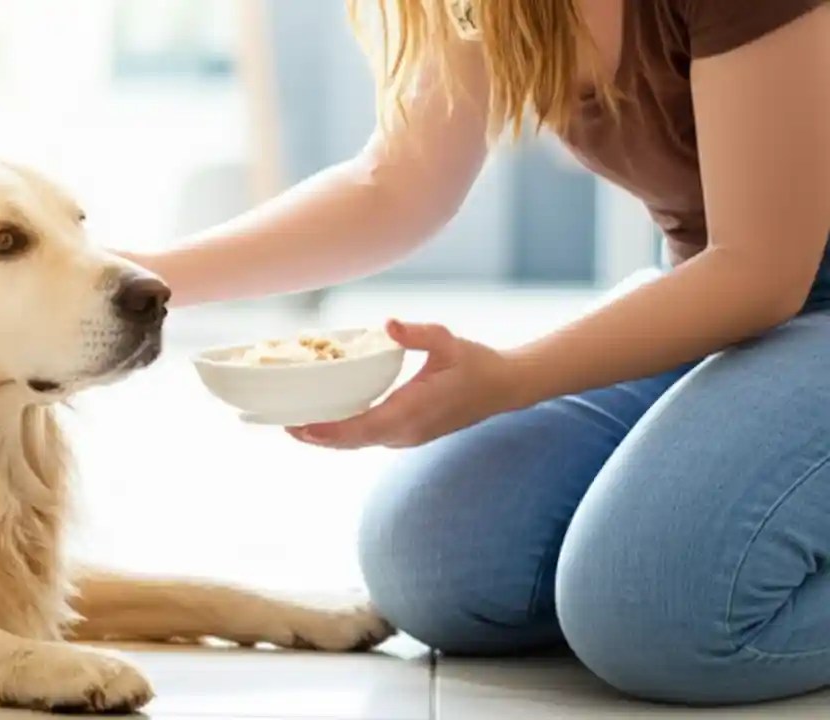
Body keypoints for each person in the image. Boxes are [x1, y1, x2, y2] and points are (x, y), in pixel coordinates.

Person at [123, 0, 830, 707]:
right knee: (430, 558)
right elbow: (396, 186)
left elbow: (761, 269)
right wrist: (144, 279)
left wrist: (514, 378)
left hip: (763, 282)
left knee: (655, 612)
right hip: (714, 292)